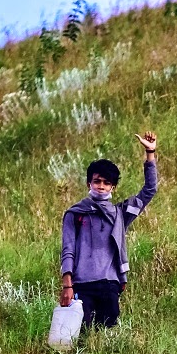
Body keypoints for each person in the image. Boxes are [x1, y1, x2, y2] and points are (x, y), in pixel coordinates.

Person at [59, 131, 158, 329]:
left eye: (106, 183)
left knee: (107, 328)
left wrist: (150, 154)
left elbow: (149, 190)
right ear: (89, 183)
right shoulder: (75, 214)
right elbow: (67, 250)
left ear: (113, 187)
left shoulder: (120, 214)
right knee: (82, 331)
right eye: (97, 181)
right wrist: (67, 285)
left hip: (110, 283)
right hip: (82, 284)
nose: (101, 186)